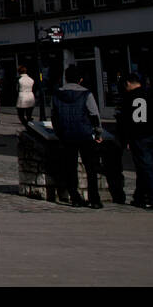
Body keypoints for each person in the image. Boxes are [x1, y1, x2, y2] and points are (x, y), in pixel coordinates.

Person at [51, 64, 104, 208]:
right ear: (80, 80)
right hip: (85, 134)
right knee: (91, 168)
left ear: (66, 79)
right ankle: (94, 199)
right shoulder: (86, 94)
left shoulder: (57, 94)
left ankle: (74, 197)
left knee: (70, 167)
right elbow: (94, 115)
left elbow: (54, 116)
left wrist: (58, 132)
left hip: (66, 134)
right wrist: (98, 132)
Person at [115, 71, 153, 211]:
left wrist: (123, 139)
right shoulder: (151, 94)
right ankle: (139, 197)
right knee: (145, 167)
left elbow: (124, 120)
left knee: (145, 168)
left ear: (128, 83)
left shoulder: (128, 97)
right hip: (152, 134)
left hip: (138, 136)